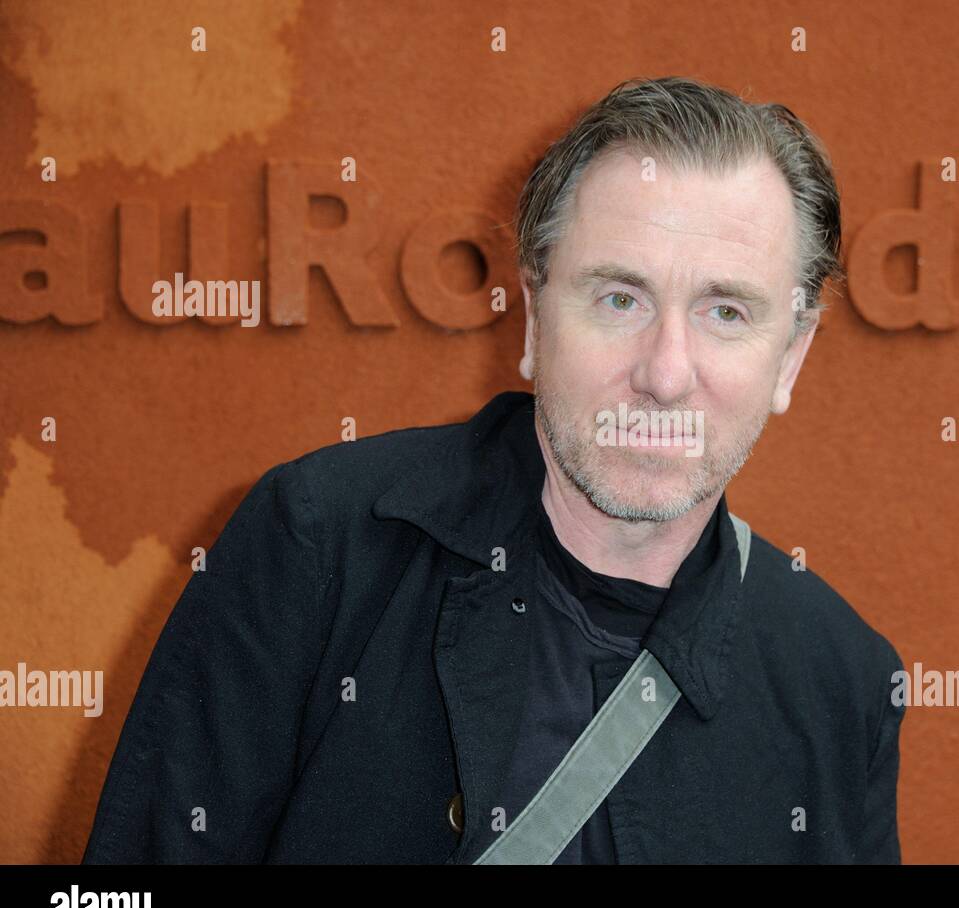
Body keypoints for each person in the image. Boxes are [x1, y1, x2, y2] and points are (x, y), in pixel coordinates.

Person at [82, 75, 906, 864]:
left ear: (790, 356)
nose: (665, 372)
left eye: (726, 312)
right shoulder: (318, 542)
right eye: (620, 298)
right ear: (535, 316)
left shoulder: (844, 683)